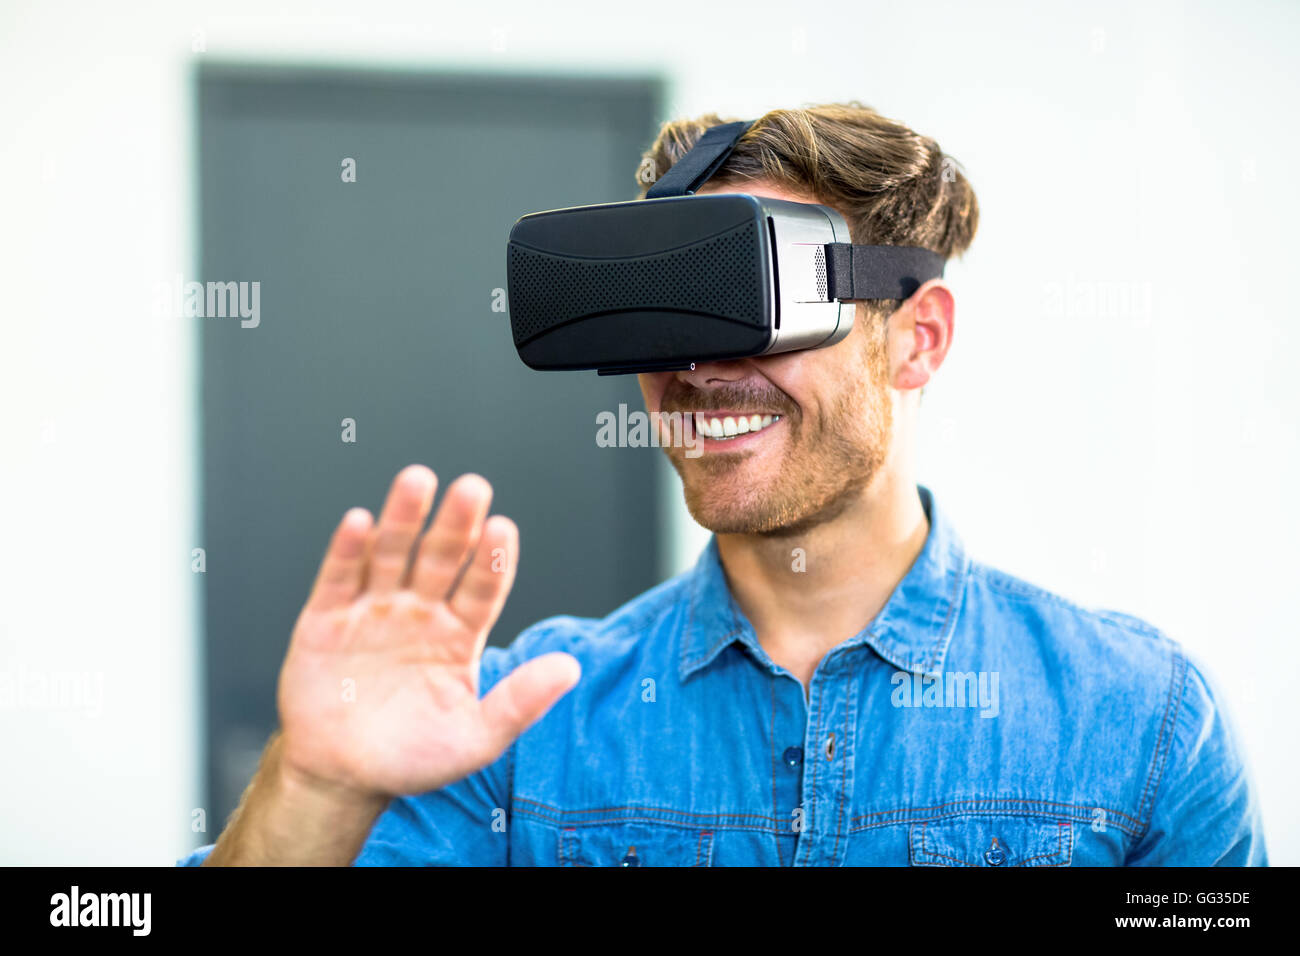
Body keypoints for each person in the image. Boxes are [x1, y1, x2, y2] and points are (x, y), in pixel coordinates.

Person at [181, 103, 1265, 866]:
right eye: (668, 316)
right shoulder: (518, 726)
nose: (699, 368)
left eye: (750, 302)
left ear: (917, 338)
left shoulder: (1140, 722)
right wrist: (317, 792)